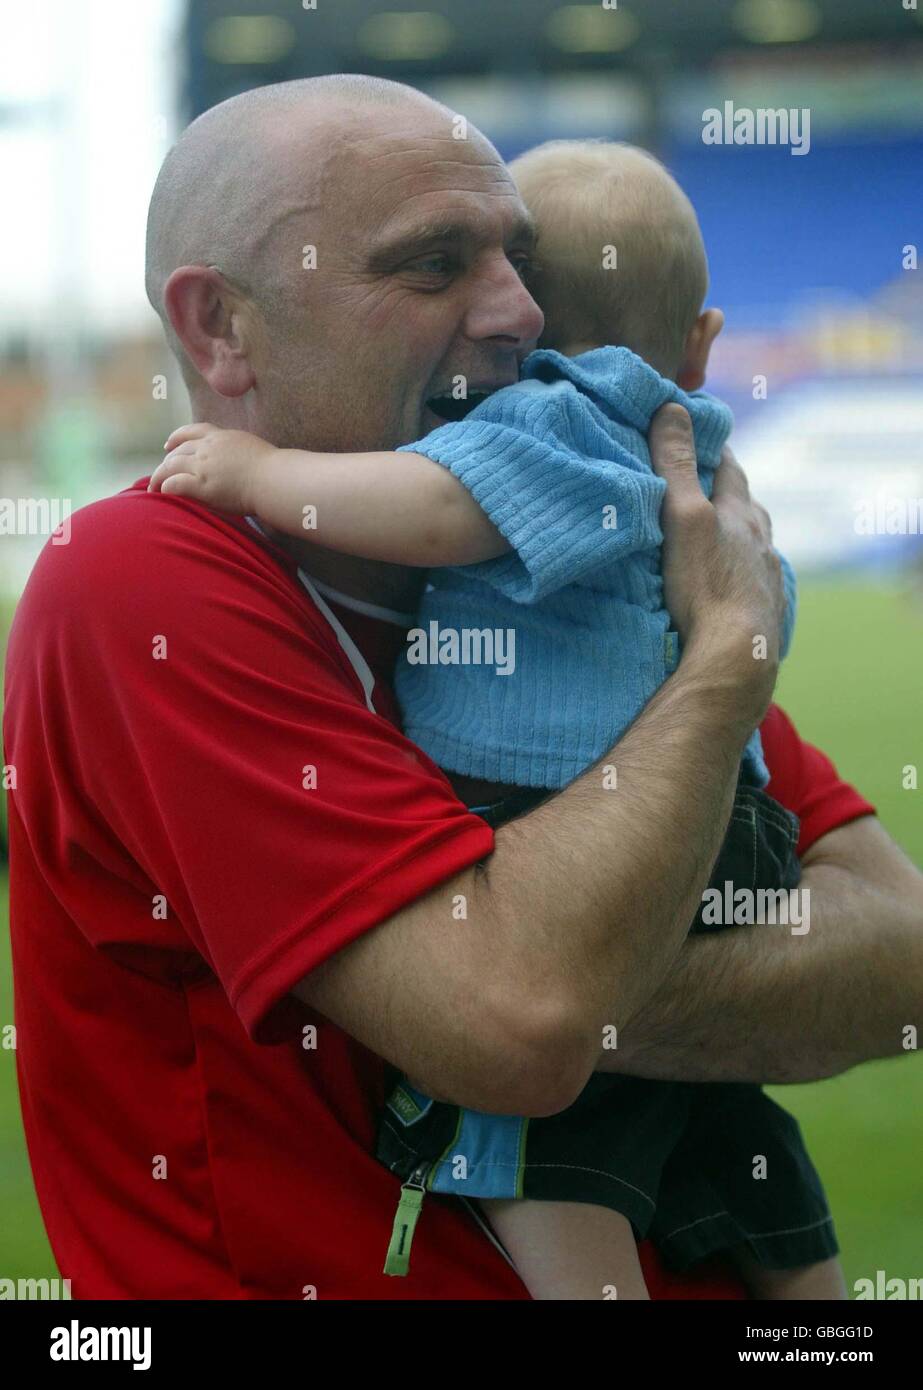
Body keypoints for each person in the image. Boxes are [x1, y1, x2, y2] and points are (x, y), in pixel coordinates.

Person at [5, 76, 921, 1300]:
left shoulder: (575, 569)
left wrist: (556, 972)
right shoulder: (139, 579)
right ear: (221, 326)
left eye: (520, 257)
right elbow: (520, 1023)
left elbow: (897, 956)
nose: (520, 313)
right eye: (433, 264)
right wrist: (724, 657)